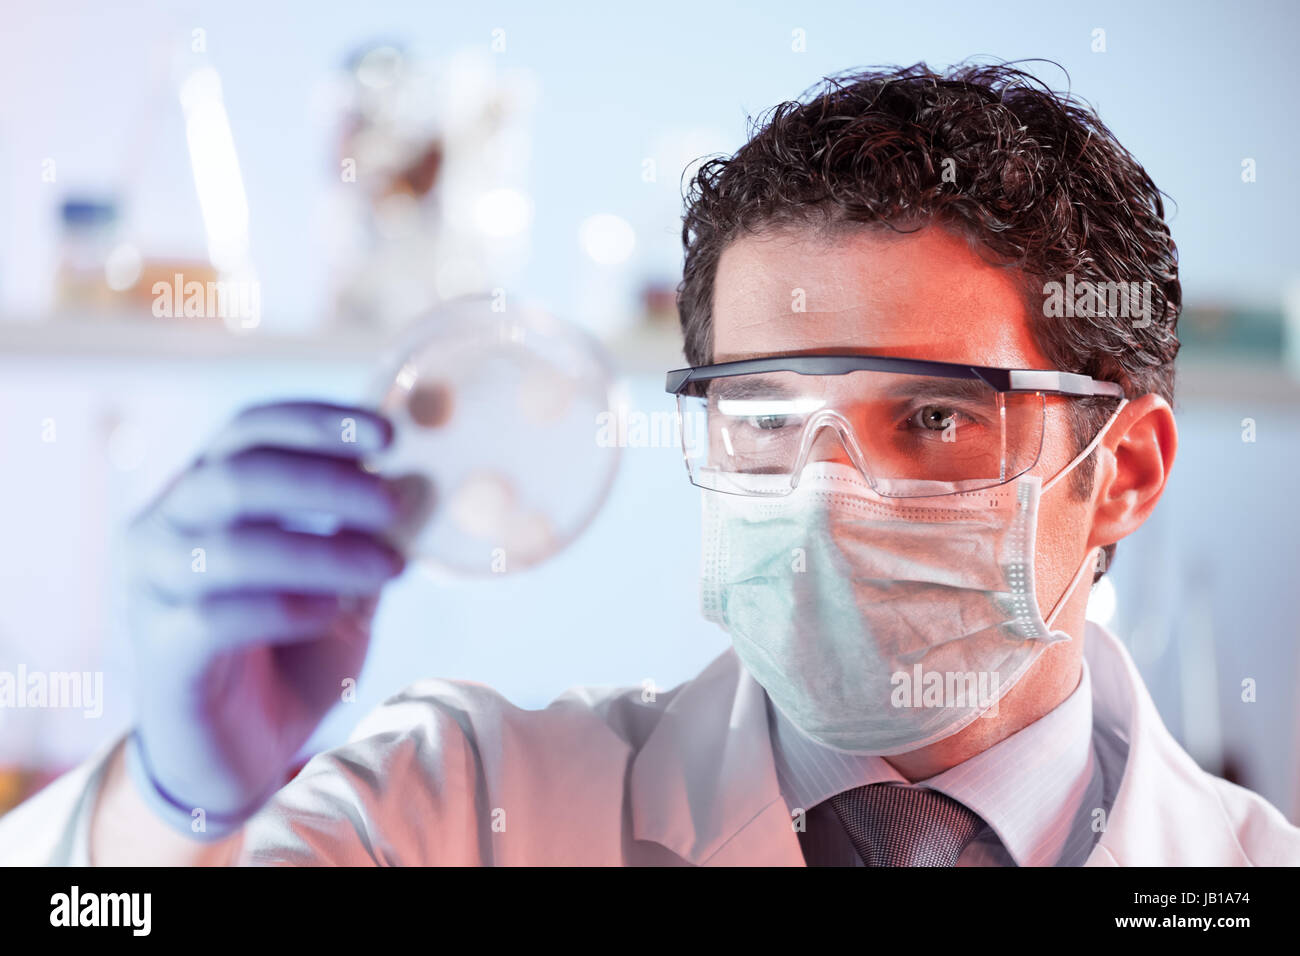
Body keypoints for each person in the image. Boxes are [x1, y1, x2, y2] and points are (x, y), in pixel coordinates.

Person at [3, 61, 1298, 867]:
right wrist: (168, 814)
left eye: (936, 417)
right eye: (766, 415)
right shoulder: (461, 807)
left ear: (1122, 468)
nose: (823, 497)